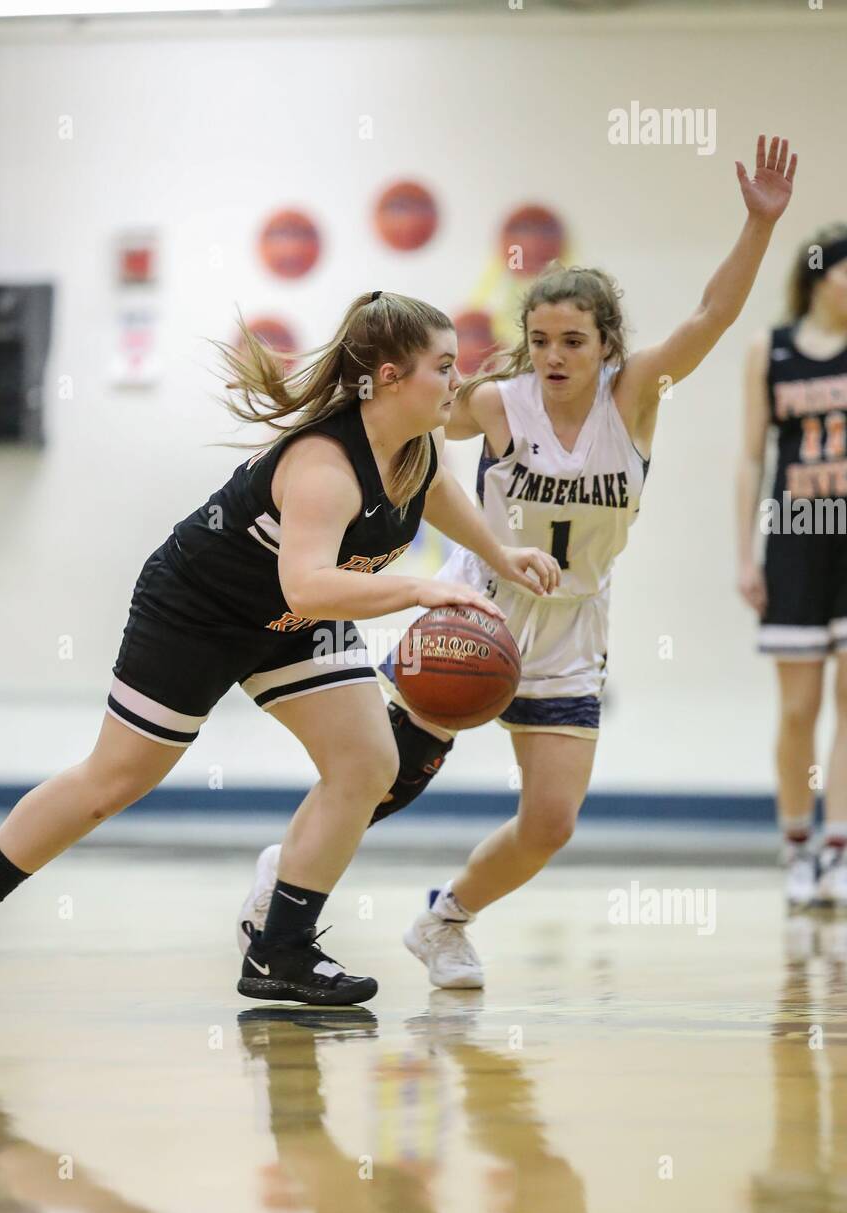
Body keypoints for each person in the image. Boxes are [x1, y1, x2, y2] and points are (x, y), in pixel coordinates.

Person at [240, 134, 798, 989]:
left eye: (573, 340)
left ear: (608, 343)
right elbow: (400, 418)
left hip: (573, 630)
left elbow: (711, 318)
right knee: (385, 782)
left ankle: (445, 920)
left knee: (551, 822)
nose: (555, 356)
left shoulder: (637, 395)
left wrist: (758, 227)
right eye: (540, 339)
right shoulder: (499, 402)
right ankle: (283, 880)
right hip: (475, 615)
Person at [0, 291, 558, 1008]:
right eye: (443, 366)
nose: (458, 381)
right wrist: (421, 592)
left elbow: (435, 499)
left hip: (288, 623)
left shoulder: (417, 449)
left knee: (370, 764)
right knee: (113, 781)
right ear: (391, 377)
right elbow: (308, 587)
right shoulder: (324, 466)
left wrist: (500, 549)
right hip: (197, 613)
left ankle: (279, 949)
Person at [737, 221, 847, 907]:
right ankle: (796, 844)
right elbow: (752, 457)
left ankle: (838, 846)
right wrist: (744, 554)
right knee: (799, 707)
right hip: (797, 543)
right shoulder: (769, 350)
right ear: (820, 275)